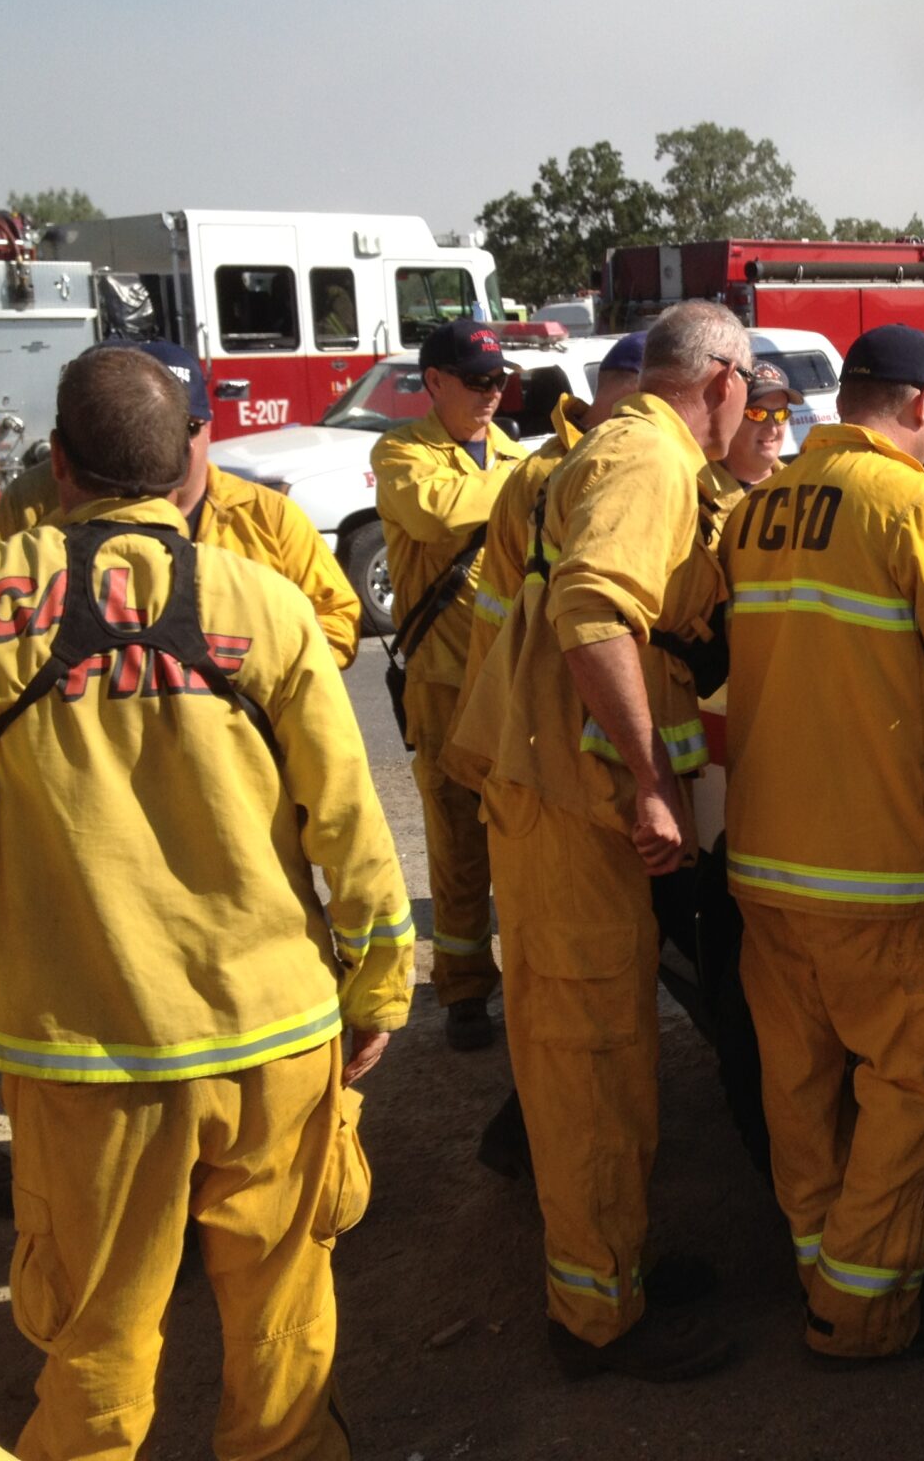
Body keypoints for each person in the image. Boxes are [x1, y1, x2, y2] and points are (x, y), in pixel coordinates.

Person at [0, 345, 415, 1461]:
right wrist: (381, 989)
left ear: (58, 463)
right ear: (183, 460)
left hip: (81, 1053)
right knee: (284, 1320)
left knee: (98, 1336)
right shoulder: (267, 603)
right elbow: (351, 825)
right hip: (274, 1033)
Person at [720, 323, 924, 1362]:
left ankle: (818, 1262)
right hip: (882, 871)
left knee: (799, 1083)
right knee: (922, 1078)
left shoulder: (759, 505)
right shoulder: (914, 503)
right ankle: (857, 1310)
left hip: (765, 859)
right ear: (919, 408)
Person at [463, 301, 750, 1382]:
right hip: (569, 799)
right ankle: (595, 1319)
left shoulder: (631, 447)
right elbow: (591, 611)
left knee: (607, 1047)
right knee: (588, 1061)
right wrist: (654, 779)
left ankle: (610, 1272)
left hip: (560, 793)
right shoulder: (652, 457)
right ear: (721, 382)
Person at [0, 339, 362, 668]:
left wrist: (245, 667)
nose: (172, 444)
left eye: (187, 428)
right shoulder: (34, 507)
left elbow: (338, 621)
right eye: (151, 429)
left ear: (210, 425)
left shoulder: (268, 516)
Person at [372, 318, 528, 1049]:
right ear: (434, 383)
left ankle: (528, 978)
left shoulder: (512, 453)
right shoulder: (401, 452)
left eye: (499, 380)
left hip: (511, 679)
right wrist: (529, 480)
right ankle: (464, 990)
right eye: (477, 381)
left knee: (525, 840)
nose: (492, 393)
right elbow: (435, 512)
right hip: (442, 682)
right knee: (459, 846)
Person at [442, 332, 645, 792]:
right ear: (637, 396)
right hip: (540, 727)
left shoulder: (559, 465)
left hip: (529, 720)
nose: (493, 393)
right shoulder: (562, 474)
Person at [722, 361, 801, 488]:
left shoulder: (801, 486)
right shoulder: (697, 490)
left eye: (781, 414)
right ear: (730, 416)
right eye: (757, 413)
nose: (772, 429)